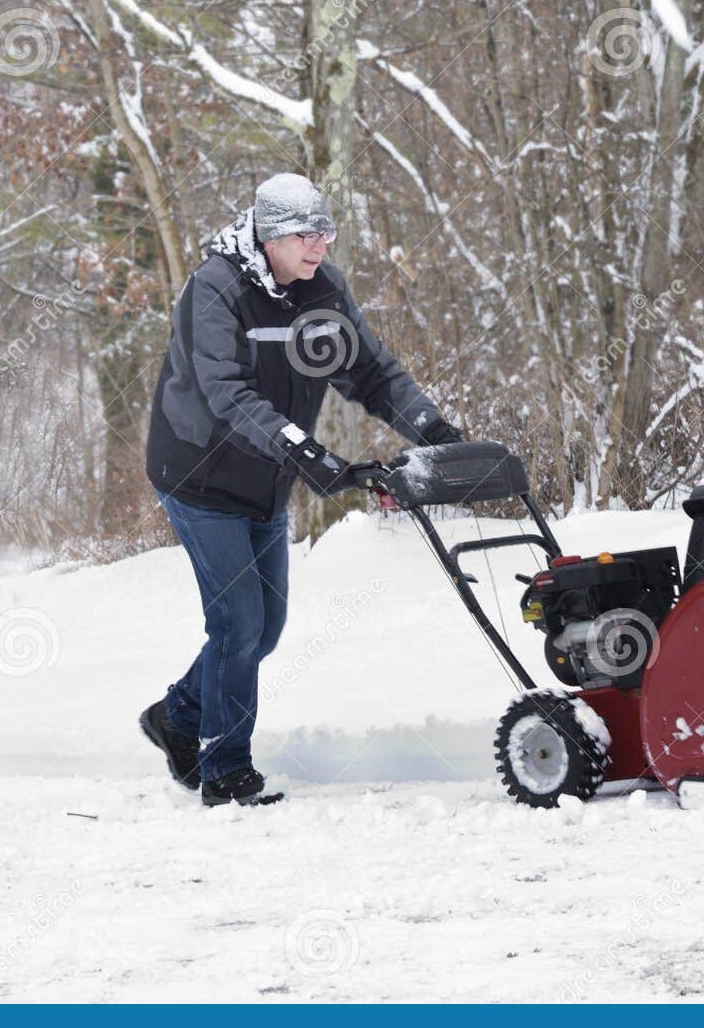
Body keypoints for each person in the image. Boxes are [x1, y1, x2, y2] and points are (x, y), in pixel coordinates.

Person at [139, 173, 463, 807]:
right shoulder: (215, 289)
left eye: (325, 233)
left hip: (267, 474)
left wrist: (434, 430)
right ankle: (225, 769)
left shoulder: (323, 289)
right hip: (200, 475)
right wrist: (302, 449)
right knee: (238, 623)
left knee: (266, 629)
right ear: (269, 237)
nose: (320, 246)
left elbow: (370, 373)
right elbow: (227, 393)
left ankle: (177, 716)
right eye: (305, 235)